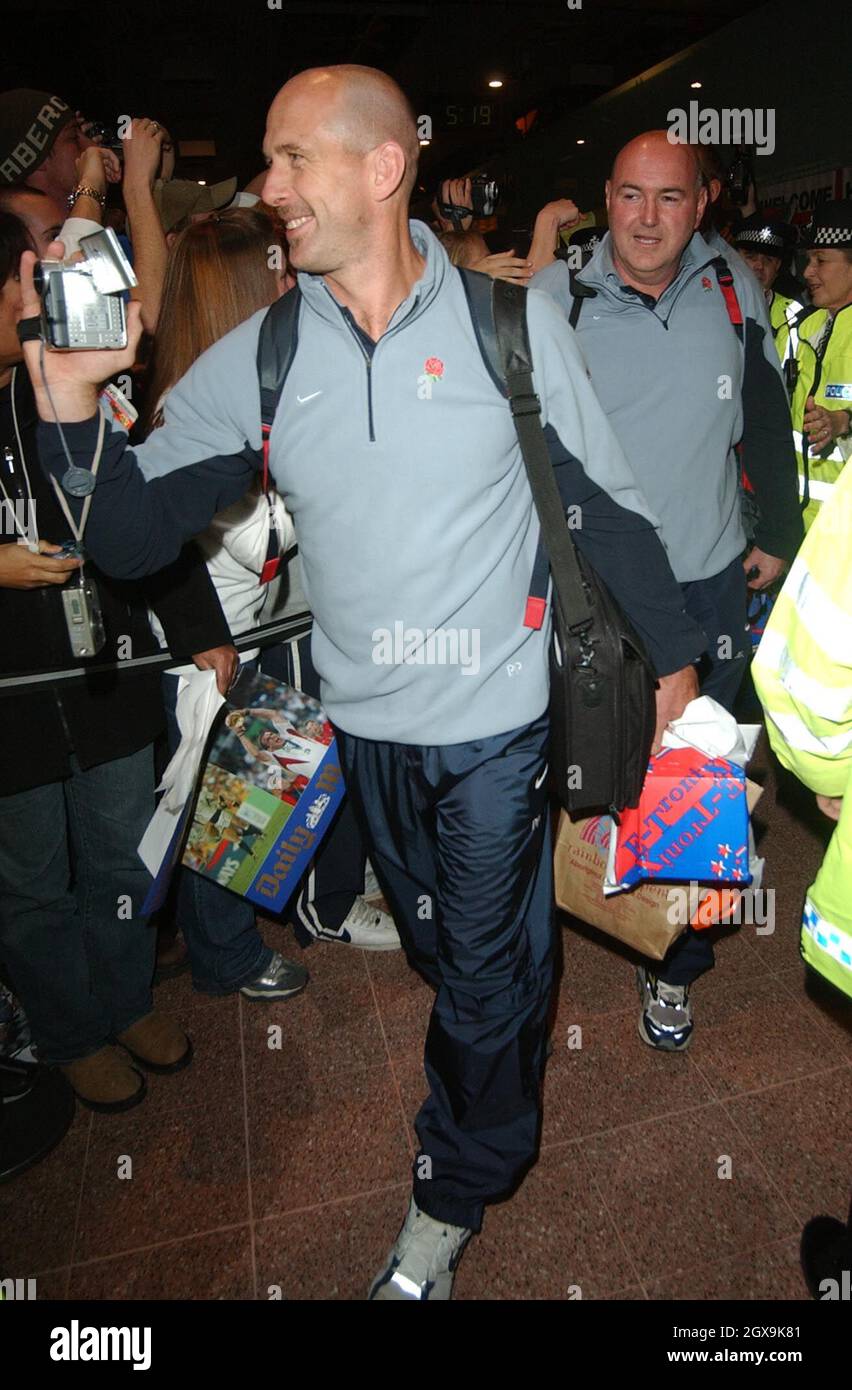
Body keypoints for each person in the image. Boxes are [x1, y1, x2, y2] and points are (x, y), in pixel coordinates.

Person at [18, 65, 703, 1299]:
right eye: (269, 163)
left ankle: (452, 1186)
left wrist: (681, 675)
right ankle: (508, 1002)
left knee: (481, 974)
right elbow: (125, 542)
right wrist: (71, 407)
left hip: (499, 728)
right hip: (365, 737)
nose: (266, 186)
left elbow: (608, 511)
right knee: (456, 954)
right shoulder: (265, 354)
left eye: (292, 160)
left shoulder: (508, 324)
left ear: (382, 172)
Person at [531, 131, 803, 1053]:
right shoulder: (554, 298)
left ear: (703, 203)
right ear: (606, 197)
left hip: (709, 578)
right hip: (591, 594)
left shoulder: (734, 289)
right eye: (632, 197)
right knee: (583, 770)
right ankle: (556, 936)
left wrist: (775, 535)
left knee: (698, 781)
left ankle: (672, 966)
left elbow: (764, 411)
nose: (649, 219)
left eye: (672, 200)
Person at [0, 210, 234, 1113]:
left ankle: (127, 1001)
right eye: (32, 286)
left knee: (124, 861)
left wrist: (200, 627)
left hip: (110, 677)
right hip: (14, 706)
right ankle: (70, 1032)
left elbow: (155, 519)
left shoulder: (101, 397)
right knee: (30, 886)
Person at [144, 207, 398, 982]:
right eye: (279, 269)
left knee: (283, 779)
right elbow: (192, 543)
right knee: (226, 798)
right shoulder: (193, 410)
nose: (295, 281)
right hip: (214, 642)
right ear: (240, 291)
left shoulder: (264, 382)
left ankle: (305, 908)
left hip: (274, 622)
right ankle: (225, 953)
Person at [787, 200, 852, 531]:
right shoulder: (801, 329)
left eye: (821, 260)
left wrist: (844, 422)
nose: (807, 271)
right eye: (808, 259)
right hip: (799, 527)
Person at [731, 211, 803, 368]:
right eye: (751, 256)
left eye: (768, 260)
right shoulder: (714, 305)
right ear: (733, 259)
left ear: (777, 266)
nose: (759, 266)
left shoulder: (795, 314)